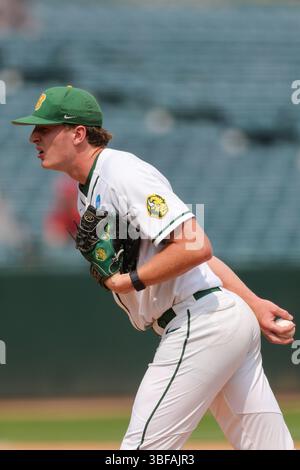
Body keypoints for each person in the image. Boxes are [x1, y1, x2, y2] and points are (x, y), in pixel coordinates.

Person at [12, 85, 295, 450]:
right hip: (218, 315)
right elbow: (195, 254)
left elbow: (195, 244)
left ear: (78, 133)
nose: (35, 136)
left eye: (45, 128)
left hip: (200, 322)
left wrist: (127, 280)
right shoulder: (91, 190)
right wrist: (253, 304)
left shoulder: (120, 173)